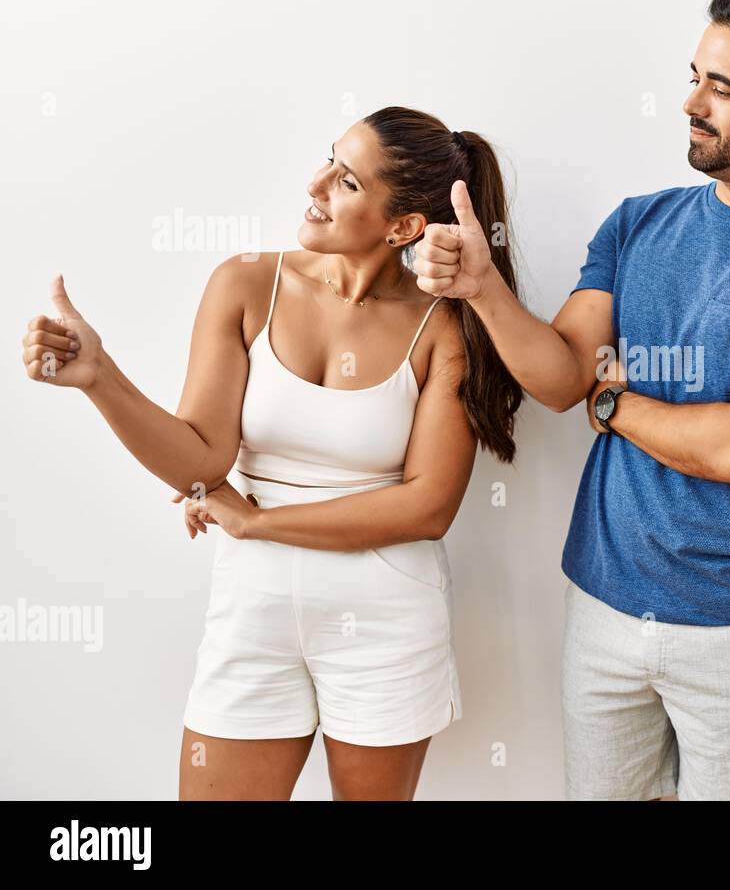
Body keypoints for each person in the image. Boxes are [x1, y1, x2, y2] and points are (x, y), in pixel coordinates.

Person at [412, 0, 730, 799]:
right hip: (603, 606)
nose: (690, 103)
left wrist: (617, 406)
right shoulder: (639, 223)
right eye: (694, 76)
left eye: (722, 88)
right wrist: (483, 289)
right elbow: (564, 373)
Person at [20, 106, 521, 800]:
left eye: (346, 181)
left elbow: (428, 506)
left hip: (387, 623)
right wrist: (100, 379)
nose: (315, 183)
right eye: (328, 159)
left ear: (402, 226)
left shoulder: (444, 326)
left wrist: (258, 523)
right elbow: (201, 463)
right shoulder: (246, 283)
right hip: (252, 614)